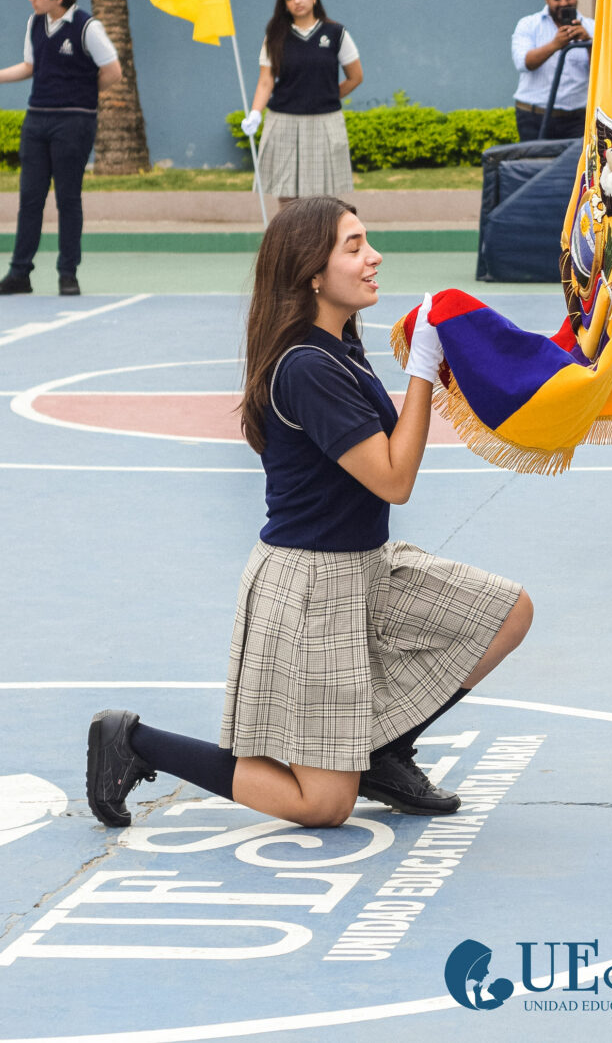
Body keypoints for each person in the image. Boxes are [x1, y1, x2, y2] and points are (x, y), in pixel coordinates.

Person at [86, 197, 533, 830]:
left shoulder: (339, 345)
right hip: (311, 589)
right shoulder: (307, 366)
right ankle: (132, 741)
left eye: (366, 241)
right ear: (312, 275)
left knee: (506, 613)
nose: (373, 256)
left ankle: (382, 750)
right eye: (353, 247)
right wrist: (424, 372)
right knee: (322, 805)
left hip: (368, 565)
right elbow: (393, 479)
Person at [0, 0, 122, 297]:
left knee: (68, 199)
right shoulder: (35, 23)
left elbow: (113, 71)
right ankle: (19, 273)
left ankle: (68, 274)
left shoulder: (87, 27)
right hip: (36, 120)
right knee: (30, 199)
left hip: (74, 122)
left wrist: (82, 92)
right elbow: (30, 66)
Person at [243, 0, 362, 201]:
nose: (297, 0)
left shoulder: (336, 33)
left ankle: (319, 239)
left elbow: (355, 77)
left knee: (321, 201)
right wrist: (256, 113)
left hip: (325, 122)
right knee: (287, 197)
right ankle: (286, 238)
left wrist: (325, 95)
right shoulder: (276, 36)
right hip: (283, 121)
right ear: (284, 5)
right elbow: (266, 80)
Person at [510, 0, 595, 143]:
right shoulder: (528, 25)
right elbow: (523, 63)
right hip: (534, 116)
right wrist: (555, 45)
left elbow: (603, 72)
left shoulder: (591, 27)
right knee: (534, 168)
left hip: (577, 119)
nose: (564, 3)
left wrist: (588, 43)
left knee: (575, 170)